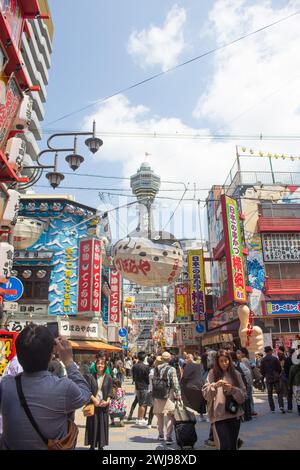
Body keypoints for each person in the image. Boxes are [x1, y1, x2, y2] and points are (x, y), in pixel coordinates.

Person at [0, 324, 91, 450]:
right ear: (50, 356)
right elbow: (85, 393)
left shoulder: (5, 386)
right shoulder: (63, 388)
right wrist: (69, 362)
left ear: (19, 357)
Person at [202, 349, 246, 450]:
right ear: (217, 362)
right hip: (219, 416)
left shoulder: (236, 374)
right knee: (224, 446)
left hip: (234, 414)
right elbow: (206, 394)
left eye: (226, 360)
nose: (224, 363)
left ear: (229, 360)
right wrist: (215, 386)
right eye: (221, 361)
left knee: (232, 445)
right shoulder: (212, 374)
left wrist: (232, 389)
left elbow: (243, 396)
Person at [84, 353, 113, 450]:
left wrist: (107, 401)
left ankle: (101, 445)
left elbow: (110, 392)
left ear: (105, 366)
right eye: (98, 364)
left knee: (102, 424)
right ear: (95, 365)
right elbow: (87, 390)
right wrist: (94, 399)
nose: (100, 365)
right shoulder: (90, 376)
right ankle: (92, 445)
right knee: (92, 424)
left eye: (102, 364)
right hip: (93, 404)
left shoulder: (108, 377)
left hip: (103, 405)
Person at [153, 351, 181, 445]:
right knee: (169, 415)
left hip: (157, 394)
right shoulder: (171, 369)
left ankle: (160, 435)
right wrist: (178, 393)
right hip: (168, 394)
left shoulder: (156, 368)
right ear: (169, 359)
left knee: (159, 416)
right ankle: (168, 437)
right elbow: (175, 382)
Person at [180, 353, 207, 421]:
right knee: (200, 401)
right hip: (199, 384)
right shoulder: (199, 365)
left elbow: (185, 376)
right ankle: (201, 416)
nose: (186, 359)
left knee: (189, 401)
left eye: (187, 358)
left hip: (191, 385)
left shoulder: (187, 366)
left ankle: (193, 415)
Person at [260, 346, 285, 413]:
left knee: (270, 393)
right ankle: (281, 406)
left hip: (268, 377)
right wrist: (277, 373)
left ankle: (272, 409)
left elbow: (262, 370)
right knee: (279, 392)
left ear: (265, 352)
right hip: (275, 377)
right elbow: (279, 368)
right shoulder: (275, 359)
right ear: (270, 351)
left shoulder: (263, 360)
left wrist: (264, 375)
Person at [132, 351, 150, 426]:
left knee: (140, 403)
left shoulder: (134, 366)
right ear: (144, 358)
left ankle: (139, 418)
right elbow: (147, 378)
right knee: (143, 404)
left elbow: (133, 377)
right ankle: (141, 419)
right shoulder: (146, 367)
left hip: (137, 386)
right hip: (144, 386)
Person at [288, 351, 300, 416]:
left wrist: (289, 385)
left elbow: (290, 377)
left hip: (297, 384)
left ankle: (299, 410)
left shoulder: (293, 366)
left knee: (298, 398)